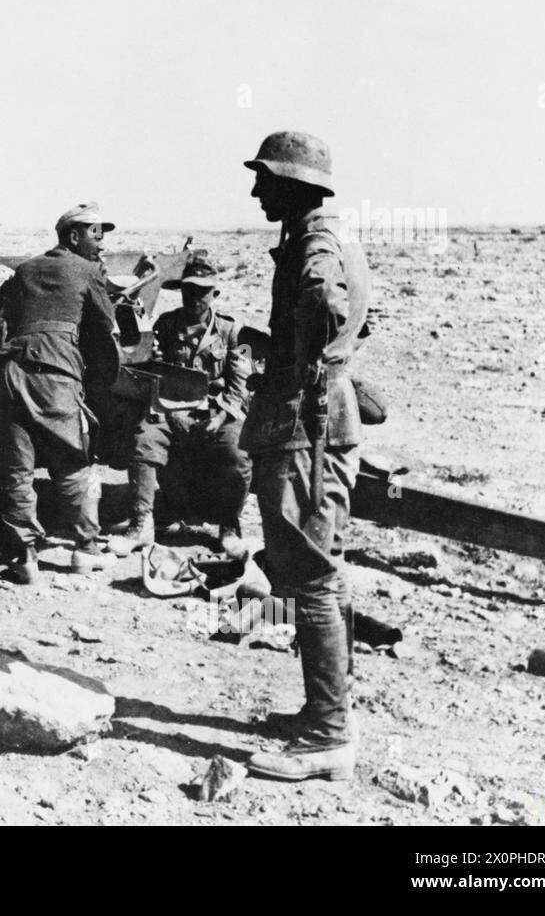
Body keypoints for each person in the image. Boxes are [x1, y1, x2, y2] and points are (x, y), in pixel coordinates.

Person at [237, 132, 371, 781]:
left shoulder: (315, 244)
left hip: (303, 425)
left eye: (266, 178)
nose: (258, 189)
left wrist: (309, 365)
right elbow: (356, 319)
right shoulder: (331, 237)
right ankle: (330, 711)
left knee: (308, 574)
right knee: (323, 566)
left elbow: (324, 303)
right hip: (321, 417)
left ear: (295, 185)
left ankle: (327, 734)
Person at [0, 202, 119, 583]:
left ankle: (25, 558)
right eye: (95, 234)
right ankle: (85, 550)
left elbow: (0, 319)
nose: (101, 243)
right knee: (73, 462)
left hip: (10, 374)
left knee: (18, 469)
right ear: (73, 236)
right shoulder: (86, 271)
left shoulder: (26, 269)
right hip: (56, 376)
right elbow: (107, 328)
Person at [106, 254, 252, 558]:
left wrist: (222, 415)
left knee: (238, 453)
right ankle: (141, 523)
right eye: (188, 291)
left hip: (215, 412)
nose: (194, 298)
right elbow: (151, 374)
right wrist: (155, 362)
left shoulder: (232, 332)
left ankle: (229, 525)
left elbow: (239, 386)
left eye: (201, 292)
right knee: (145, 438)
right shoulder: (165, 325)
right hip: (171, 408)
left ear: (215, 294)